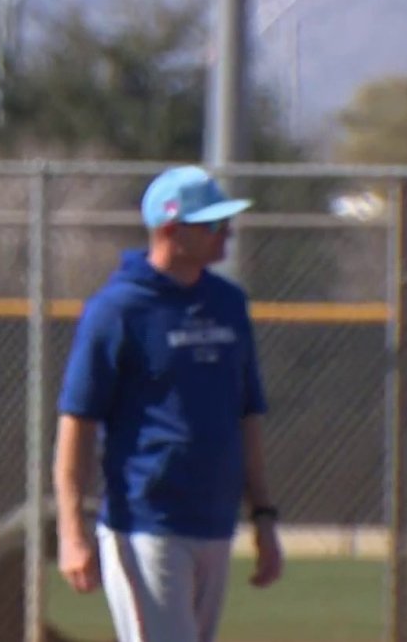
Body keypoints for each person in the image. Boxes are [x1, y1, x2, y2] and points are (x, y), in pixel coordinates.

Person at [51, 165, 284, 642]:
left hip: (216, 521)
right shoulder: (118, 310)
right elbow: (77, 425)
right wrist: (72, 533)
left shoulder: (228, 304)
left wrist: (262, 516)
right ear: (172, 230)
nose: (227, 233)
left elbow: (246, 418)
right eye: (213, 224)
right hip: (146, 522)